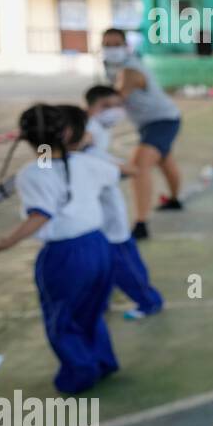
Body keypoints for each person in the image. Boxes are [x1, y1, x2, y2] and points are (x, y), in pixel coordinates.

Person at [0, 104, 120, 393]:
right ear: (67, 132)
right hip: (99, 247)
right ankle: (102, 361)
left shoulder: (32, 174)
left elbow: (41, 215)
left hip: (65, 256)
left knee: (62, 317)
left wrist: (4, 243)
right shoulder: (85, 162)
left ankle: (80, 372)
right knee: (91, 312)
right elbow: (120, 171)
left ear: (25, 138)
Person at [82, 87, 164, 320]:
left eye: (117, 105)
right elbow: (90, 154)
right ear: (91, 107)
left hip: (106, 207)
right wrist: (121, 166)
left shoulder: (97, 129)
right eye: (106, 106)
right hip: (95, 206)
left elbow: (96, 158)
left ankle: (148, 302)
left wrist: (119, 166)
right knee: (102, 260)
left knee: (121, 258)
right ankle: (102, 299)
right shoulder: (89, 130)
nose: (114, 112)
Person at [102, 28, 182, 241]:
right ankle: (174, 200)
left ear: (125, 46)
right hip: (148, 123)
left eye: (116, 44)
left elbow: (116, 99)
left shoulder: (130, 70)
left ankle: (141, 223)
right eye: (107, 45)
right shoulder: (111, 67)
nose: (111, 49)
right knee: (164, 160)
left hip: (163, 120)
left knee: (139, 164)